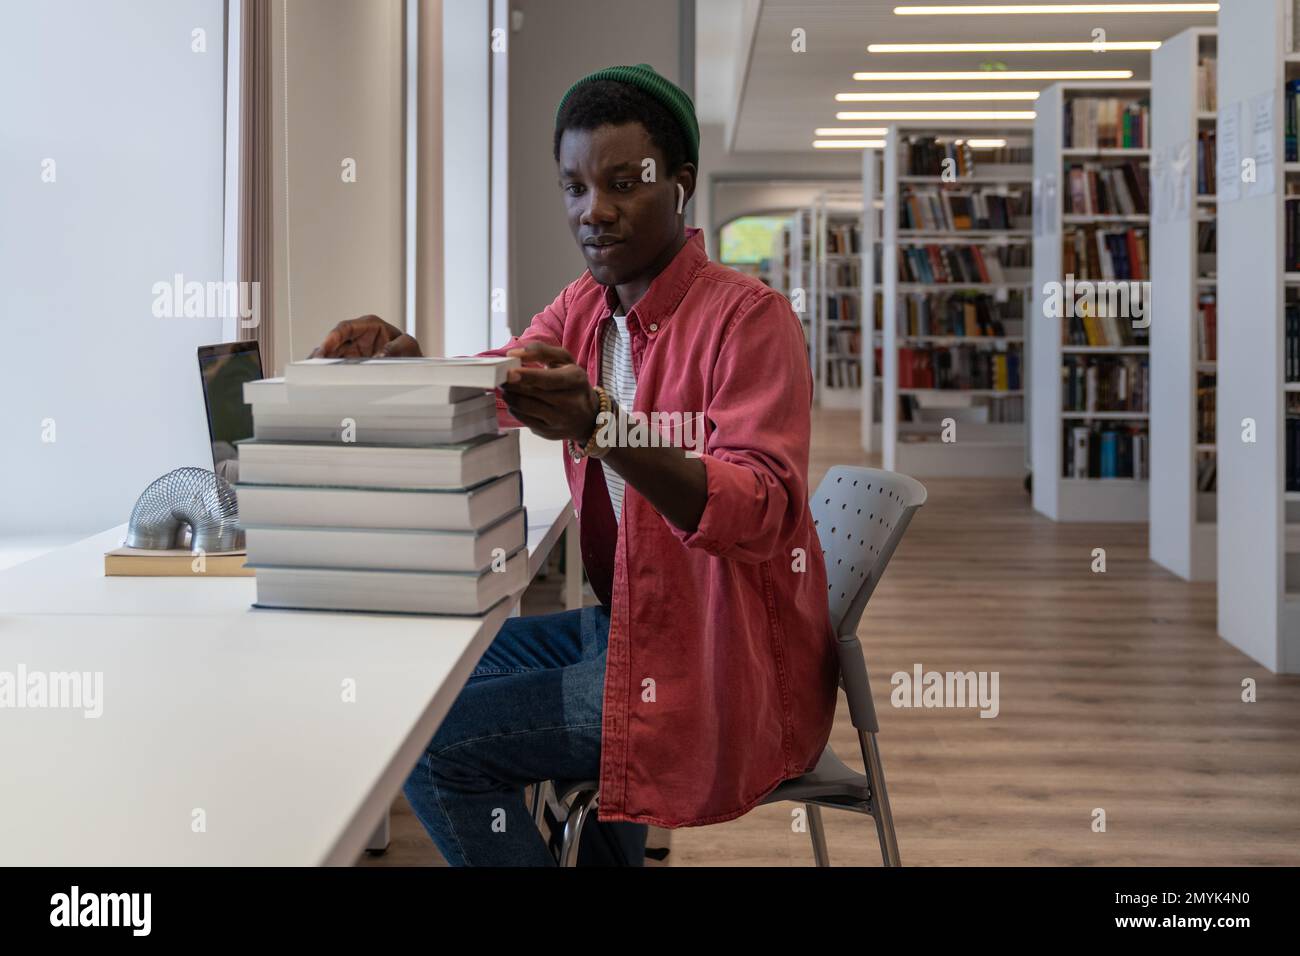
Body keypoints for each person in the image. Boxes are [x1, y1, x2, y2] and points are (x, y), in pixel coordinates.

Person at [312, 64, 838, 866]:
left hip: (716, 666)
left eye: (624, 183)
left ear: (680, 185)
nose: (594, 210)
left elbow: (761, 508)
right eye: (575, 186)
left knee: (428, 742)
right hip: (632, 625)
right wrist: (404, 361)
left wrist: (602, 424)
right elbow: (494, 382)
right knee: (436, 677)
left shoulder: (748, 320)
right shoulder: (586, 308)